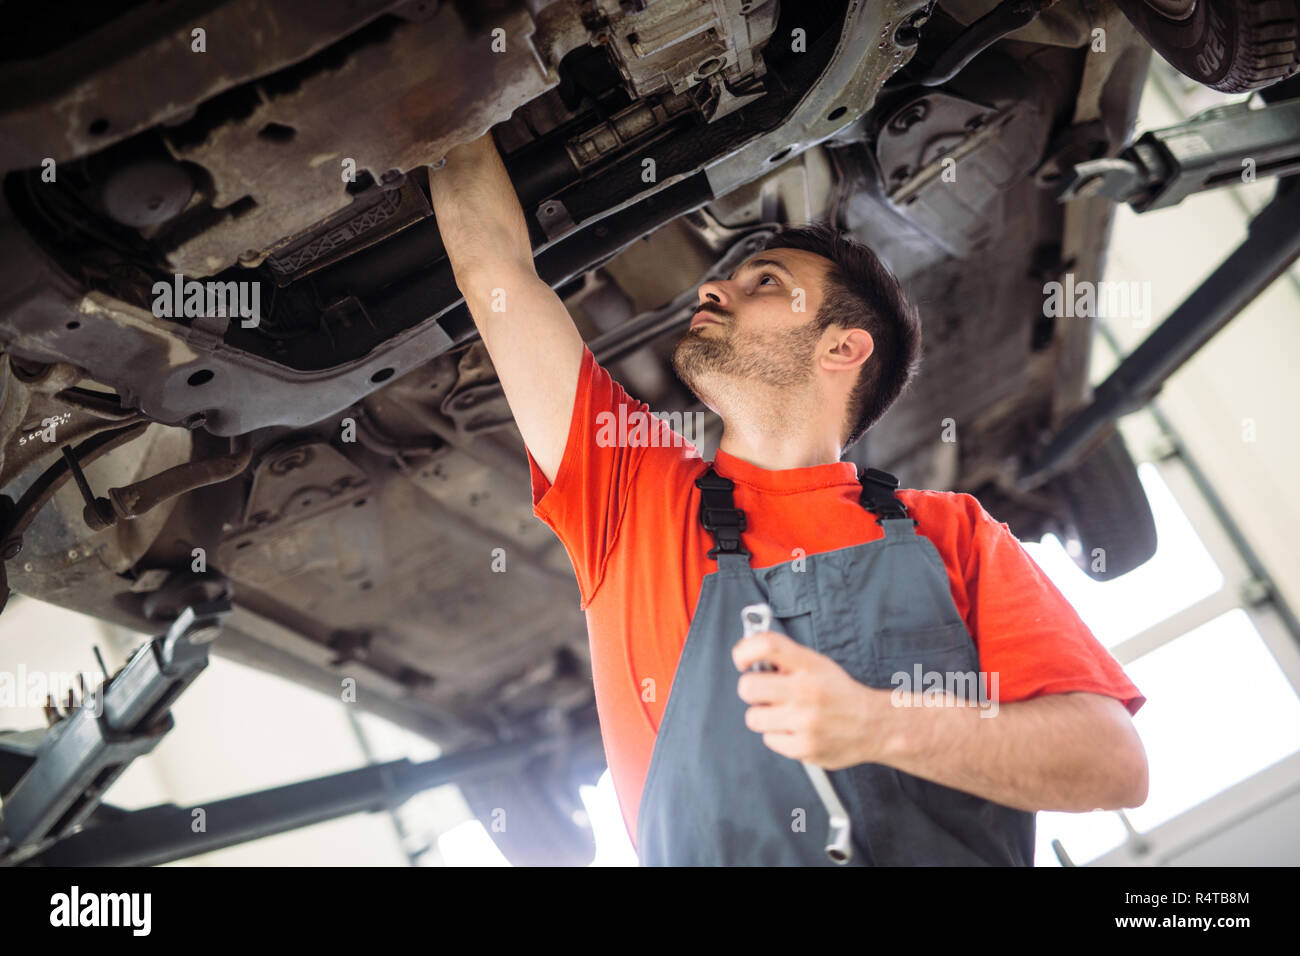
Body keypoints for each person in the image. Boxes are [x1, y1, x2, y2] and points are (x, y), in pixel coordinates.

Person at [428, 131, 1148, 866]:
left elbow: (1112, 764)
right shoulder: (632, 493)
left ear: (843, 348)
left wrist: (873, 726)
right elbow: (497, 271)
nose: (714, 288)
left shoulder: (951, 531)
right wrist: (450, 97)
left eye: (764, 281)